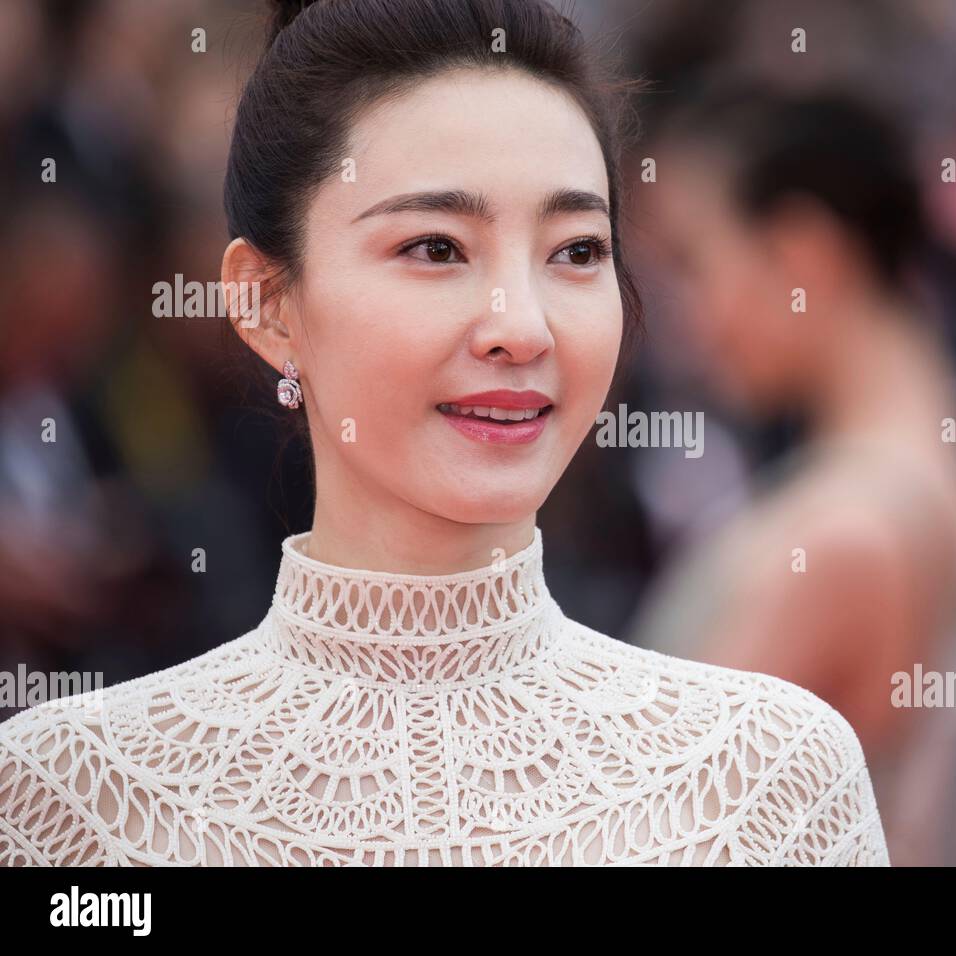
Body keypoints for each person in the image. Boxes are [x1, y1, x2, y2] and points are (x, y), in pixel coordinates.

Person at [0, 0, 887, 867]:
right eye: (435, 248)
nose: (522, 326)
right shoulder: (70, 797)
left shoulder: (769, 775)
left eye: (577, 250)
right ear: (265, 301)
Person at [624, 84, 956, 863]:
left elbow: (658, 826)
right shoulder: (936, 449)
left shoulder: (840, 534)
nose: (688, 319)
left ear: (803, 255)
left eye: (697, 265)